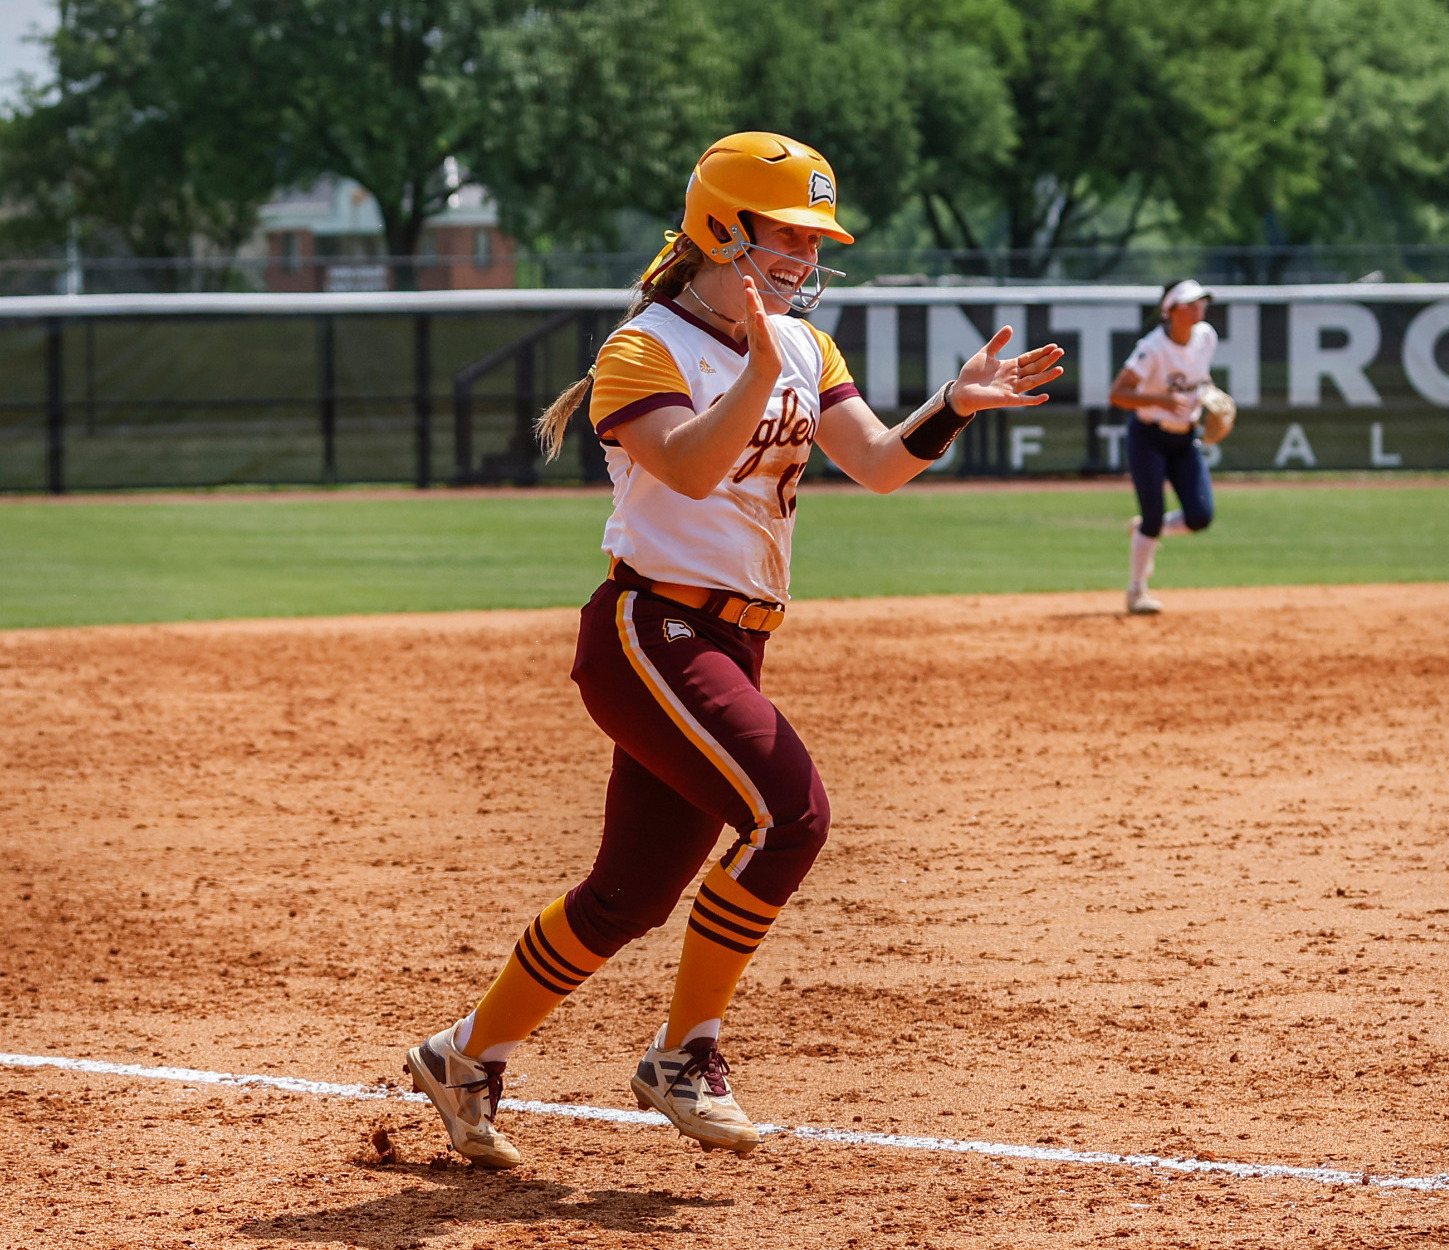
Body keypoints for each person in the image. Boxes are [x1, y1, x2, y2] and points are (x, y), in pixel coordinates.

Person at [403, 131, 1063, 1168]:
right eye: (785, 233)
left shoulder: (803, 344)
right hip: (648, 632)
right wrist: (757, 367)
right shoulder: (643, 348)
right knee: (791, 815)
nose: (803, 256)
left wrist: (952, 405)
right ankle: (684, 1051)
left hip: (731, 641)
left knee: (629, 893)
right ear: (720, 225)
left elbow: (880, 465)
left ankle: (462, 1052)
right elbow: (690, 468)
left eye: (815, 238)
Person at [1108, 279, 1220, 614]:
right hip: (1149, 436)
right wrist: (1159, 399)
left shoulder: (1206, 337)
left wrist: (1211, 397)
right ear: (1169, 311)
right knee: (1153, 516)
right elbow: (1118, 393)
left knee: (1200, 516)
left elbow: (1199, 376)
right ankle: (1137, 591)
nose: (1198, 308)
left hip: (1185, 437)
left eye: (1201, 301)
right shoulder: (1153, 347)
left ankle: (1145, 529)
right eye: (1189, 303)